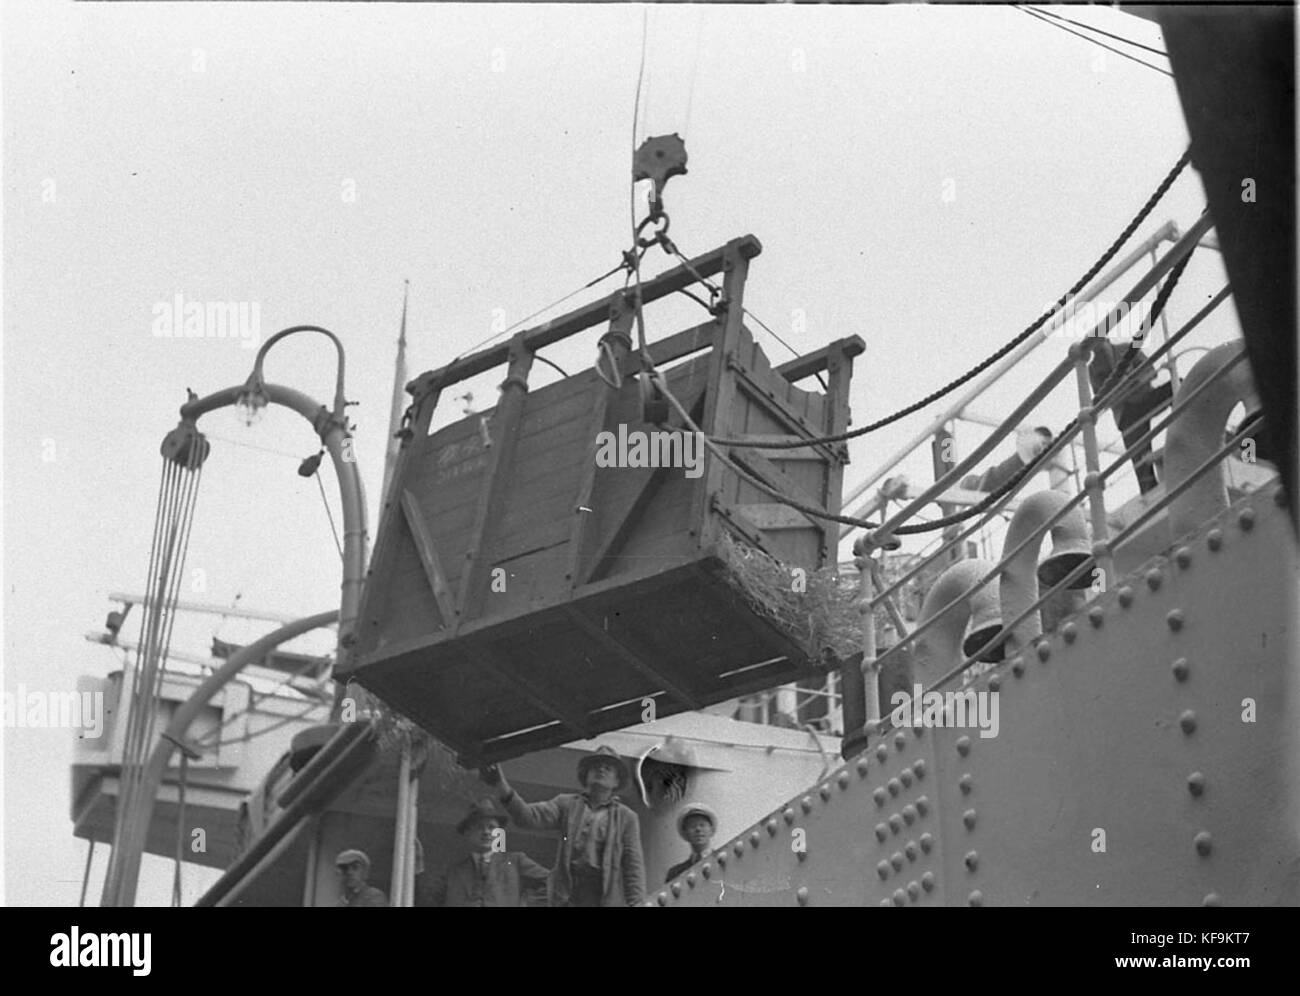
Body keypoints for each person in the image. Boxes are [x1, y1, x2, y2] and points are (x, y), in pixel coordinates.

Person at [481, 745, 646, 907]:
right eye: (595, 766)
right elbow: (528, 817)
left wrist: (637, 903)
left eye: (608, 768)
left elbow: (633, 865)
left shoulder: (626, 817)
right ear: (586, 775)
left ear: (617, 781)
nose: (601, 770)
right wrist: (501, 786)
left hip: (601, 899)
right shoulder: (566, 804)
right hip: (567, 897)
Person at [430, 798, 550, 907]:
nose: (486, 832)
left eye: (491, 827)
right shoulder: (453, 873)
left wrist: (527, 903)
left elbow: (553, 881)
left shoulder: (515, 862)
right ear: (467, 833)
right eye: (479, 827)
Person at [1089, 337, 1172, 494]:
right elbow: (1101, 399)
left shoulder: (1127, 349)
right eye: (1094, 347)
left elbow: (1150, 370)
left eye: (1099, 344)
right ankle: (1149, 491)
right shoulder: (1093, 368)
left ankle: (1187, 426)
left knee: (1177, 386)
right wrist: (1125, 389)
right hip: (1126, 412)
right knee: (1139, 458)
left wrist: (1133, 383)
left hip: (1145, 397)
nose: (1098, 349)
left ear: (1106, 340)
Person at [960, 426, 1054, 494]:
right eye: (1043, 443)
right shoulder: (1022, 459)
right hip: (984, 483)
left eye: (1046, 444)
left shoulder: (1023, 460)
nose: (1043, 447)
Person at [665, 803, 718, 883]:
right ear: (685, 833)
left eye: (702, 825)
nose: (698, 829)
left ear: (711, 830)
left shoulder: (724, 863)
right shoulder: (675, 873)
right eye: (692, 826)